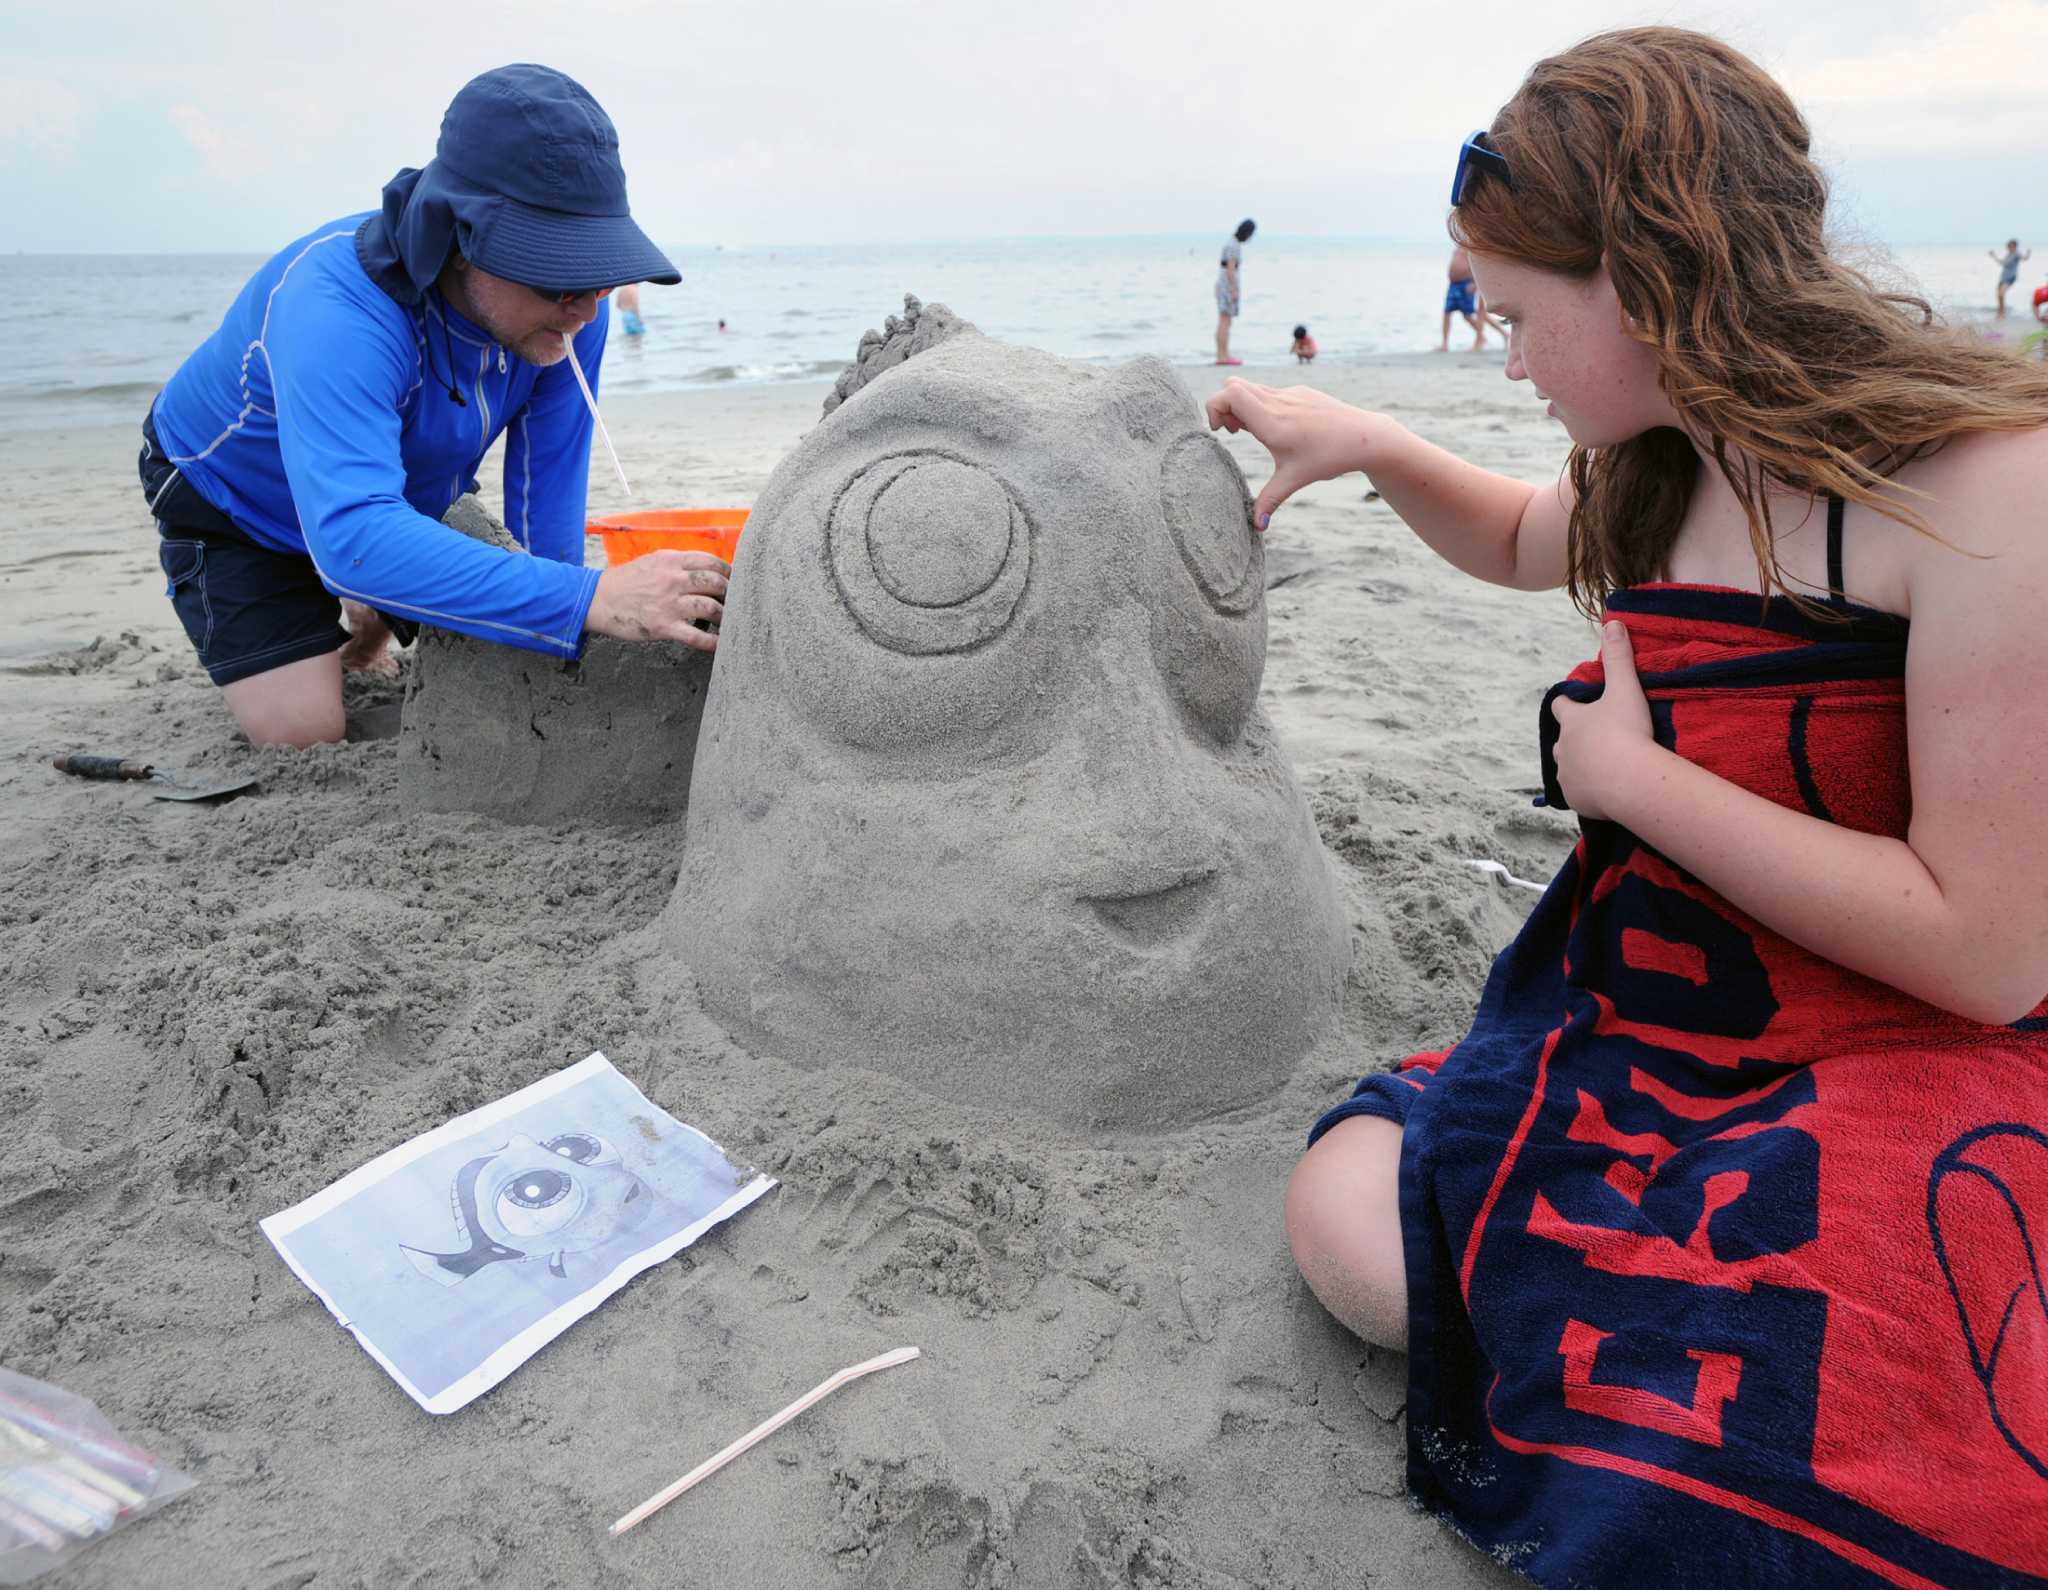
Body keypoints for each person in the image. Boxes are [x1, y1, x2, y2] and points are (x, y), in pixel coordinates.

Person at [1211, 27, 2048, 1588]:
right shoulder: (1663, 456)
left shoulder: (1981, 488)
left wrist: (1632, 783)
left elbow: (1992, 951)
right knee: (1352, 1216)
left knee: (1842, 1353)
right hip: (1668, 1014)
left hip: (1904, 1035)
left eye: (1522, 314)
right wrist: (1376, 444)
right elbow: (1526, 538)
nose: (1505, 355)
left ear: (1650, 280)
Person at [139, 65, 728, 748]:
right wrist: (592, 598)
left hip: (400, 488)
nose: (585, 305)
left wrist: (571, 634)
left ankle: (382, 597)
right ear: (462, 237)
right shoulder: (336, 306)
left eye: (597, 274)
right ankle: (355, 598)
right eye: (556, 275)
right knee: (306, 736)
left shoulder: (574, 313)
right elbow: (354, 541)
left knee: (503, 601)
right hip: (236, 506)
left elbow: (546, 496)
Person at [1215, 218, 1255, 365]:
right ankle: (1223, 356)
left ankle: (1222, 355)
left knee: (1224, 321)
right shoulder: (1234, 245)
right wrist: (1234, 289)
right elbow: (1231, 268)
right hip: (1227, 284)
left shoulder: (1230, 243)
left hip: (1223, 283)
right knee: (1225, 321)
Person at [1439, 244, 1490, 350]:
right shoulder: (1459, 244)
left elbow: (1478, 264)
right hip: (1454, 284)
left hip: (1466, 284)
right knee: (1447, 312)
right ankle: (1444, 344)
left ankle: (1481, 337)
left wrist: (1475, 283)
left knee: (1468, 314)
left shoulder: (1471, 245)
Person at [1990, 238, 2030, 317]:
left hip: (2010, 277)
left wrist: (2028, 254)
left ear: (2015, 246)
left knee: (2001, 294)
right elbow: (2002, 263)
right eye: (2008, 246)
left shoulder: (2016, 253)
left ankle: (2002, 312)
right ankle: (2000, 310)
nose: (2009, 247)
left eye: (2010, 246)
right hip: (2003, 276)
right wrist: (1994, 256)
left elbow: (2024, 258)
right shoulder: (2008, 254)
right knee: (1998, 295)